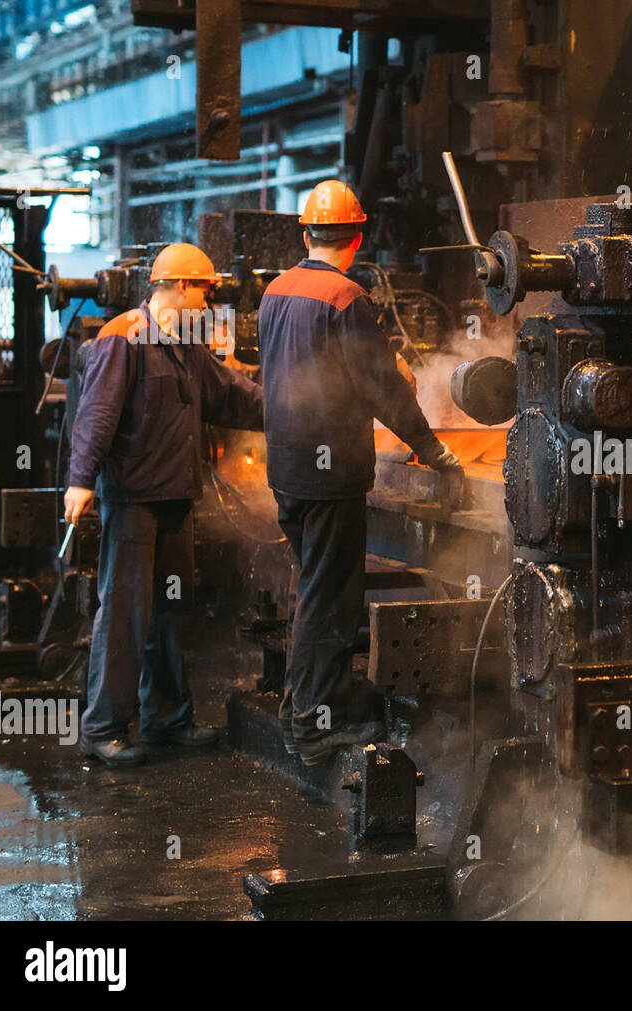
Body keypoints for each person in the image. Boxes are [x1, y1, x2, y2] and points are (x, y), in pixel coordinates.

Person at [258, 179, 467, 766]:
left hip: (288, 468)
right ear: (357, 238)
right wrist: (429, 446)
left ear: (307, 234)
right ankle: (312, 727)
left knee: (313, 587)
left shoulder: (276, 291)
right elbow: (383, 389)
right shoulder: (346, 298)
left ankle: (303, 702)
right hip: (330, 477)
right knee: (331, 598)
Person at [65, 242, 265, 767]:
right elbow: (97, 414)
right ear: (180, 286)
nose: (209, 301)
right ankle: (103, 727)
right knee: (126, 613)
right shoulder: (123, 337)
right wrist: (80, 480)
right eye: (205, 290)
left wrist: (294, 410)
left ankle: (167, 718)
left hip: (176, 498)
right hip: (133, 500)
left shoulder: (185, 342)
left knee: (169, 612)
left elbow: (229, 395)